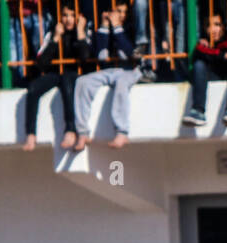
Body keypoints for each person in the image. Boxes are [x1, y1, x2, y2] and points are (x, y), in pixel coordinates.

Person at [72, 4, 140, 150]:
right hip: (109, 71)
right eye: (118, 12)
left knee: (122, 83)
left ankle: (122, 132)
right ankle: (82, 132)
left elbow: (129, 53)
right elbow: (100, 55)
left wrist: (117, 27)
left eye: (124, 12)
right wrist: (104, 26)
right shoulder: (103, 28)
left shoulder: (131, 27)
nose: (121, 15)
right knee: (82, 82)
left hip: (129, 70)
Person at [21, 6, 89, 150]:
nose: (68, 19)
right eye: (65, 15)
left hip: (75, 74)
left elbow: (85, 57)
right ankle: (31, 134)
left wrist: (80, 32)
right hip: (56, 74)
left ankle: (70, 130)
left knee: (67, 82)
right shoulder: (53, 33)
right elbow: (41, 63)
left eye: (72, 15)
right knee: (33, 88)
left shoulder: (84, 30)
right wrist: (56, 38)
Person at [181, 14, 227, 127]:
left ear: (224, 26)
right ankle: (198, 112)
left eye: (217, 25)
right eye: (209, 25)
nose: (213, 30)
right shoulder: (203, 42)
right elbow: (200, 52)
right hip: (211, 76)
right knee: (199, 65)